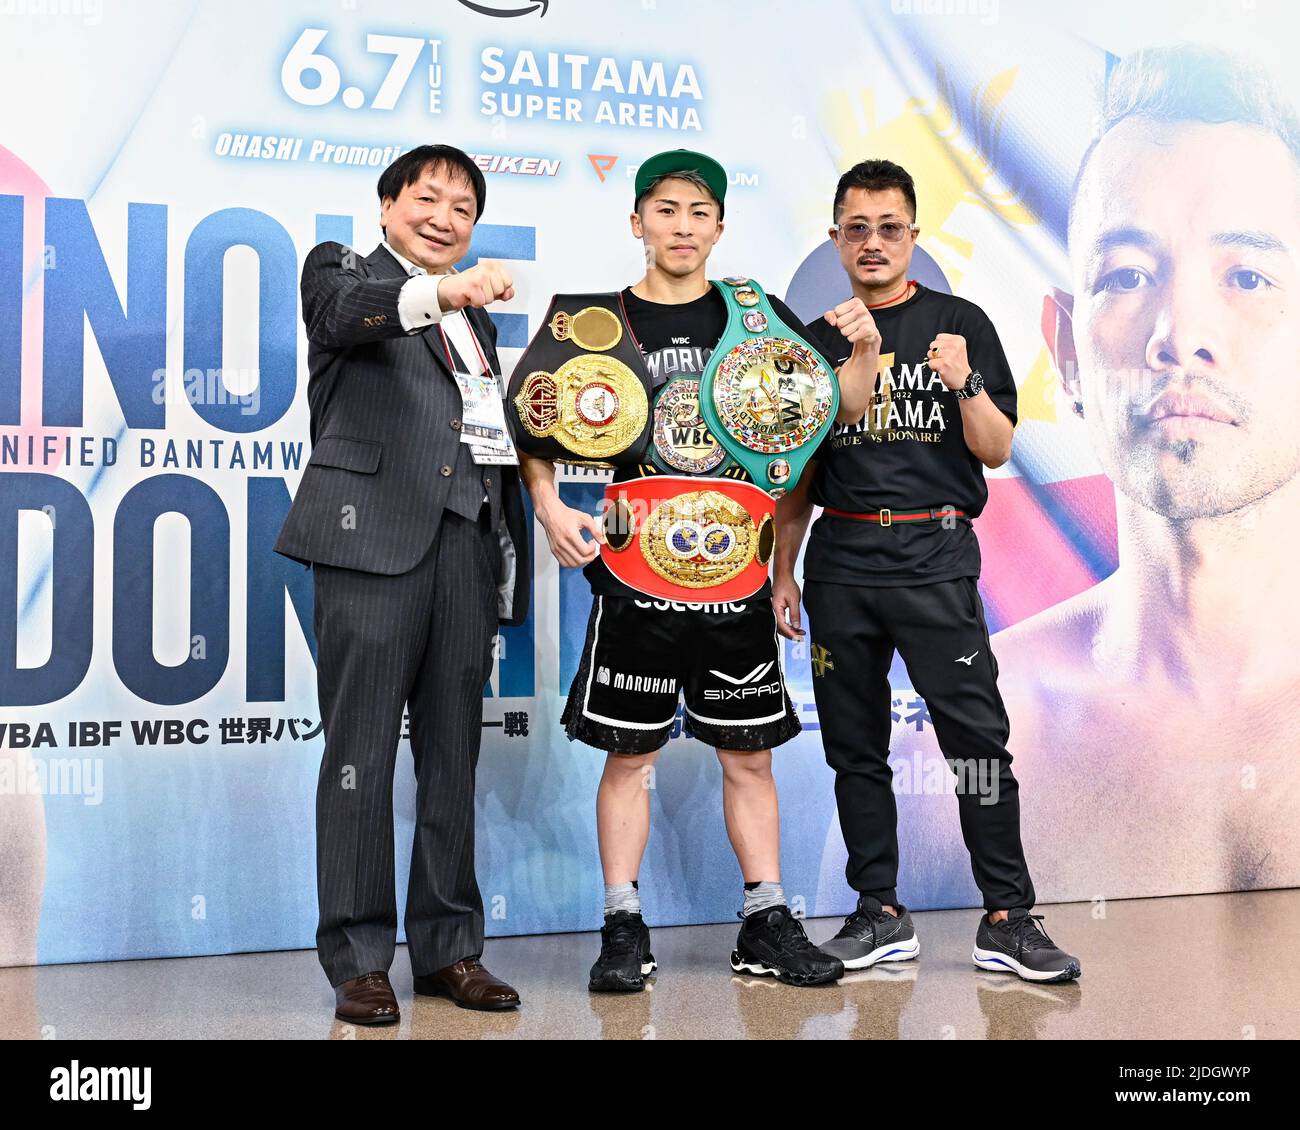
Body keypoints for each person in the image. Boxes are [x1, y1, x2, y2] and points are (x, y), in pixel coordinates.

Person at [520, 149, 879, 990]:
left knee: (749, 755)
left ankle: (765, 920)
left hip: (736, 579)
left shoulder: (758, 317)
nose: (682, 227)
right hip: (636, 574)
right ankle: (621, 924)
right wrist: (546, 506)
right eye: (666, 210)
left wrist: (860, 351)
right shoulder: (593, 324)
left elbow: (836, 413)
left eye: (699, 212)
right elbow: (531, 423)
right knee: (629, 757)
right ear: (637, 221)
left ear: (720, 225)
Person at [978, 45, 1300, 898]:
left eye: (1248, 276)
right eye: (1127, 276)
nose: (1180, 332)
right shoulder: (967, 740)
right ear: (1066, 355)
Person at [773, 159, 1081, 983]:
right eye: (856, 228)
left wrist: (966, 379)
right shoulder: (813, 340)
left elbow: (995, 446)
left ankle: (1008, 917)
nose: (873, 243)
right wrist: (783, 571)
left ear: (914, 235)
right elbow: (801, 469)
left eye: (890, 228)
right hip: (842, 561)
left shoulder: (959, 322)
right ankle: (879, 911)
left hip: (937, 559)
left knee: (977, 745)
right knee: (854, 747)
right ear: (836, 237)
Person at [275, 144, 531, 1023]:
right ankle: (357, 958)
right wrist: (440, 293)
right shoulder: (340, 273)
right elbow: (348, 314)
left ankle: (451, 950)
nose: (444, 217)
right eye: (428, 198)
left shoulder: (481, 327)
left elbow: (487, 441)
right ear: (387, 206)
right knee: (359, 757)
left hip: (463, 551)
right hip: (369, 546)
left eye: (463, 208)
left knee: (455, 756)